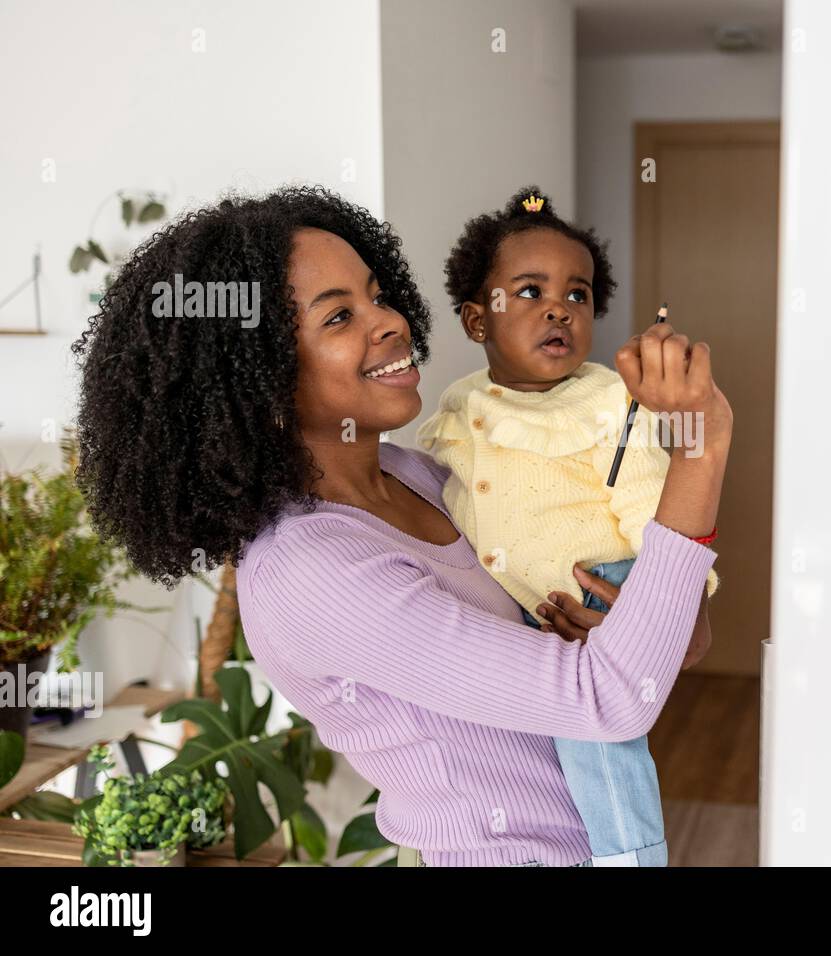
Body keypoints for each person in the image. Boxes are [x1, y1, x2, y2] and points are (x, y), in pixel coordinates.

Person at [70, 186, 732, 866]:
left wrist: (662, 625)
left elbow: (633, 648)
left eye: (378, 294)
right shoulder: (312, 570)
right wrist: (701, 447)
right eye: (338, 318)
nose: (387, 322)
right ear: (259, 374)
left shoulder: (421, 475)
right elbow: (609, 699)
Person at [415, 185, 720, 866]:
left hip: (599, 593)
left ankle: (630, 854)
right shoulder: (457, 405)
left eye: (578, 295)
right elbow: (441, 491)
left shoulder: (613, 402)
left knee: (598, 742)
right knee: (518, 754)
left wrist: (676, 608)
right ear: (476, 321)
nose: (559, 307)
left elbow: (656, 513)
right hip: (513, 607)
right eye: (529, 291)